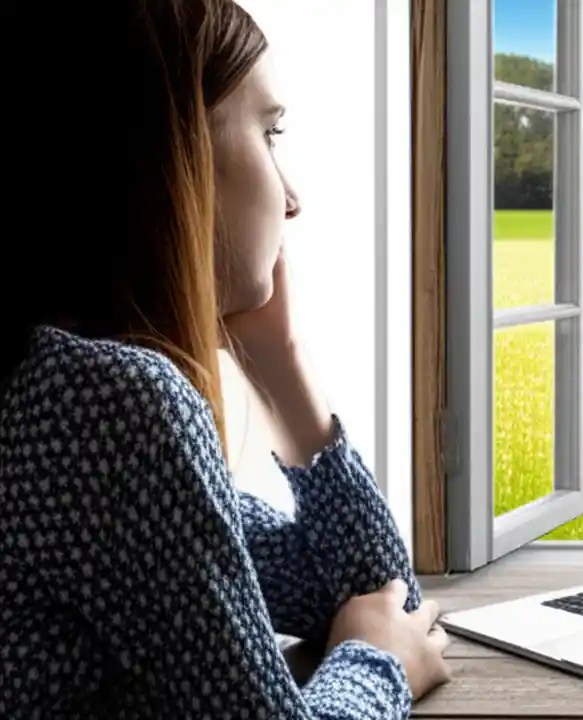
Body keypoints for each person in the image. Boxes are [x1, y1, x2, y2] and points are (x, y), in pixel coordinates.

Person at [0, 1, 451, 717]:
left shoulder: (60, 385)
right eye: (270, 134)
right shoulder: (106, 405)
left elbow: (370, 593)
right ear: (169, 156)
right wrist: (377, 663)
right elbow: (384, 622)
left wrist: (280, 362)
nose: (293, 198)